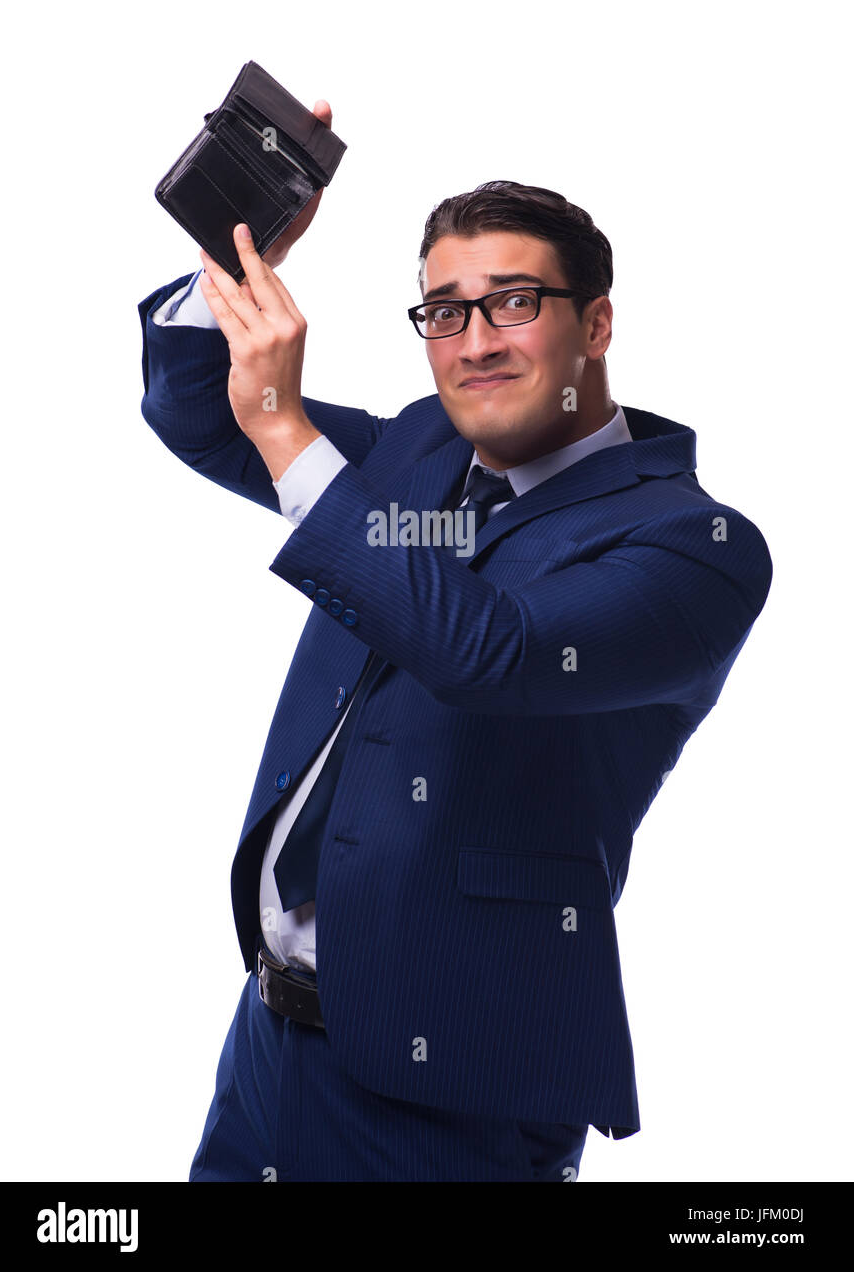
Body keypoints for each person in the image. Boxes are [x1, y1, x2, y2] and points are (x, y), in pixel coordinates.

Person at [138, 100, 772, 1181]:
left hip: (453, 1102)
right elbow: (205, 411)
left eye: (513, 303)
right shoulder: (423, 465)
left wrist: (294, 429)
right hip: (271, 1045)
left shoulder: (693, 545)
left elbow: (495, 652)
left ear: (597, 324)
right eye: (443, 311)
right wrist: (229, 258)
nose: (474, 342)